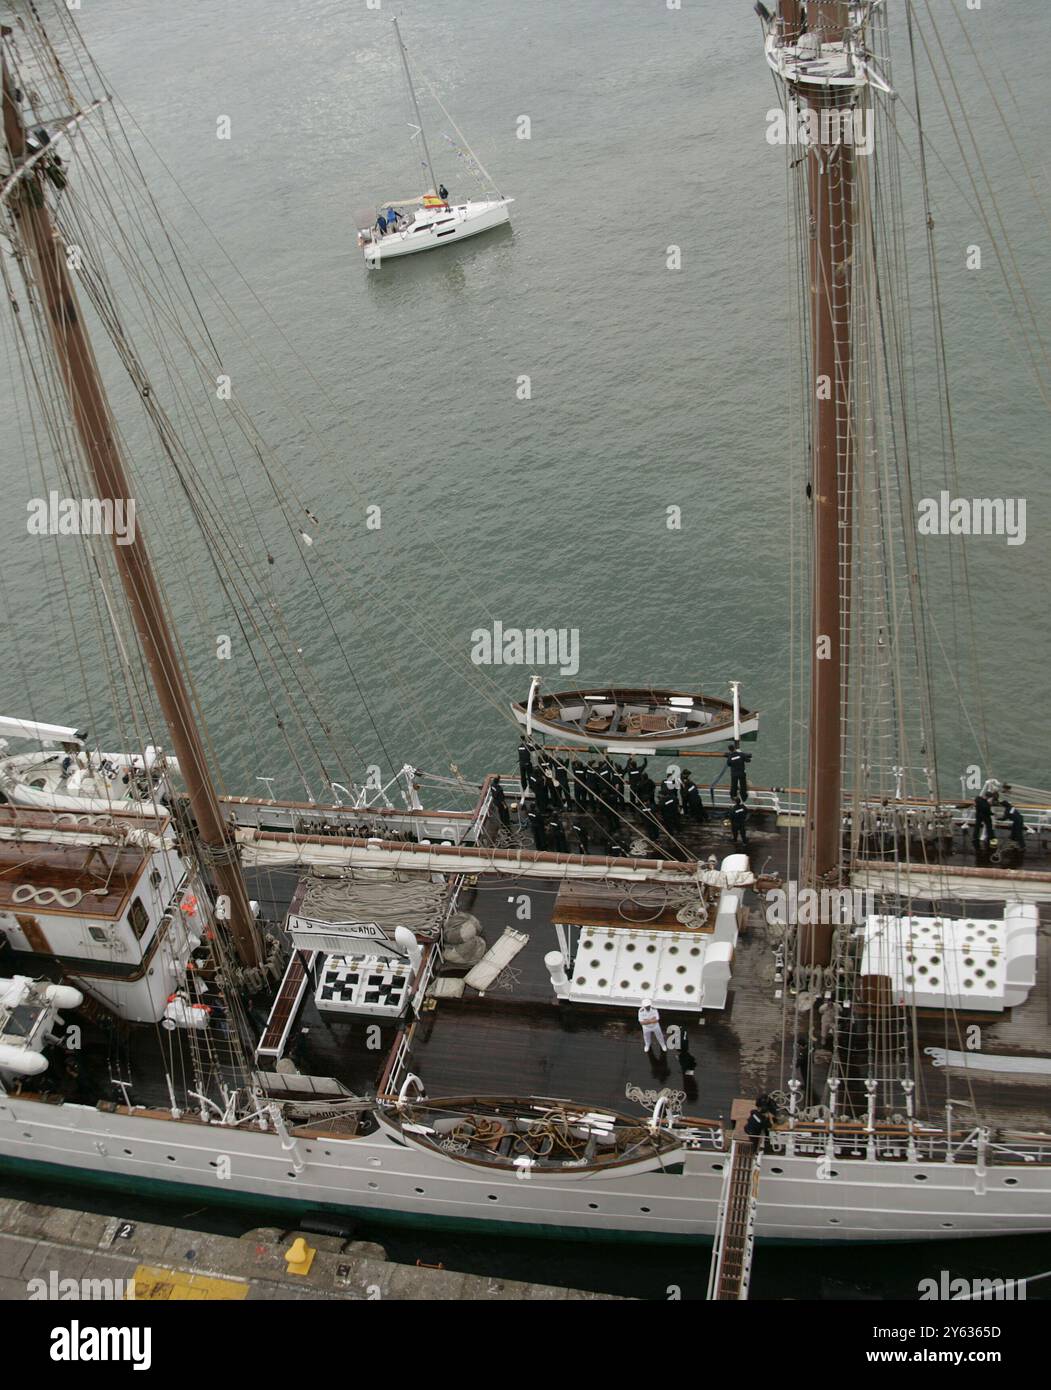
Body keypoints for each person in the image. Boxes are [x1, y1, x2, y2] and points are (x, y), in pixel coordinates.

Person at [973, 787, 995, 853]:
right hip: (986, 816)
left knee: (977, 827)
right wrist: (993, 814)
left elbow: (976, 800)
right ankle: (992, 840)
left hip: (978, 816)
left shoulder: (978, 799)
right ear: (988, 797)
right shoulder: (986, 804)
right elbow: (988, 811)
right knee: (989, 828)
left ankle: (975, 838)